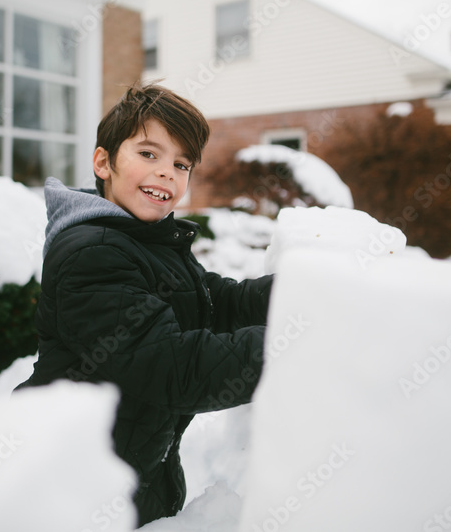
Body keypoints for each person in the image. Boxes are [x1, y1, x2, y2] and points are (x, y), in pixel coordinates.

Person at [16, 82, 273, 526]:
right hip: (71, 492)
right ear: (104, 163)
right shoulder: (91, 254)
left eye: (181, 163)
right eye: (149, 154)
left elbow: (216, 303)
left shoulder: (144, 242)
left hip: (133, 474)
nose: (167, 173)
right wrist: (286, 349)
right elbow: (171, 365)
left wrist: (298, 295)